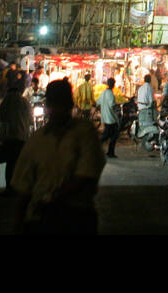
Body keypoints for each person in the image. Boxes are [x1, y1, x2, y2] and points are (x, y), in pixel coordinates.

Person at [11, 79, 105, 234]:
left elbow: (87, 175)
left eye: (61, 102)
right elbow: (24, 189)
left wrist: (50, 200)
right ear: (47, 105)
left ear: (70, 104)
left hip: (76, 218)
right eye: (54, 103)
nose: (57, 108)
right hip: (41, 219)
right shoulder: (37, 139)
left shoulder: (84, 132)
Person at [0, 81, 32, 196]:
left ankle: (9, 187)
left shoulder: (5, 103)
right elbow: (30, 119)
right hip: (22, 137)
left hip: (9, 138)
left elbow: (1, 121)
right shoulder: (24, 102)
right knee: (20, 163)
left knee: (10, 164)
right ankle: (20, 186)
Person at [97, 77, 120, 158]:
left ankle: (109, 151)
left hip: (105, 117)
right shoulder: (110, 94)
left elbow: (98, 103)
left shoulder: (103, 93)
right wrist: (117, 108)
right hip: (111, 118)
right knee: (112, 135)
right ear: (113, 84)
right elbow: (112, 105)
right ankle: (109, 152)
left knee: (107, 135)